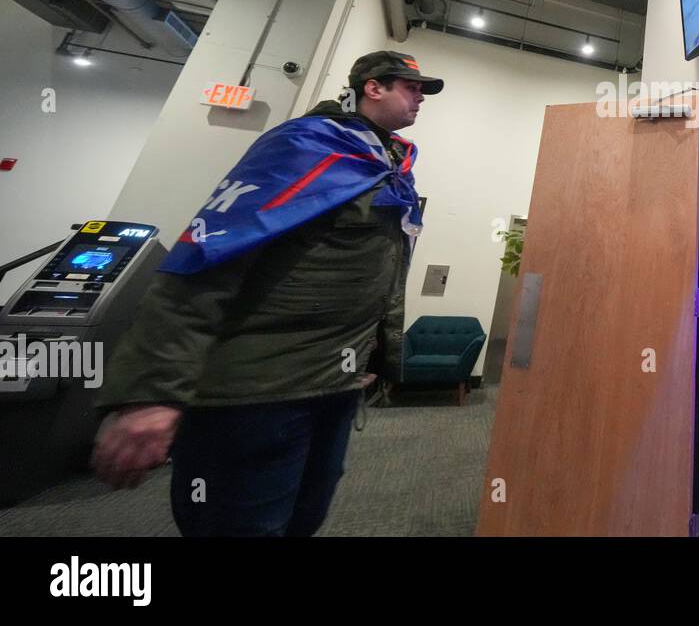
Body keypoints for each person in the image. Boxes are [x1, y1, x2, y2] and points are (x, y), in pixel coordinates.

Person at [91, 51, 443, 536]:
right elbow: (203, 264)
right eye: (411, 86)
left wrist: (371, 357)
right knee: (242, 525)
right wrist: (151, 395)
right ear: (373, 88)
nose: (420, 96)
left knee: (302, 520)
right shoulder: (306, 146)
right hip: (258, 394)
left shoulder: (387, 166)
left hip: (331, 384)